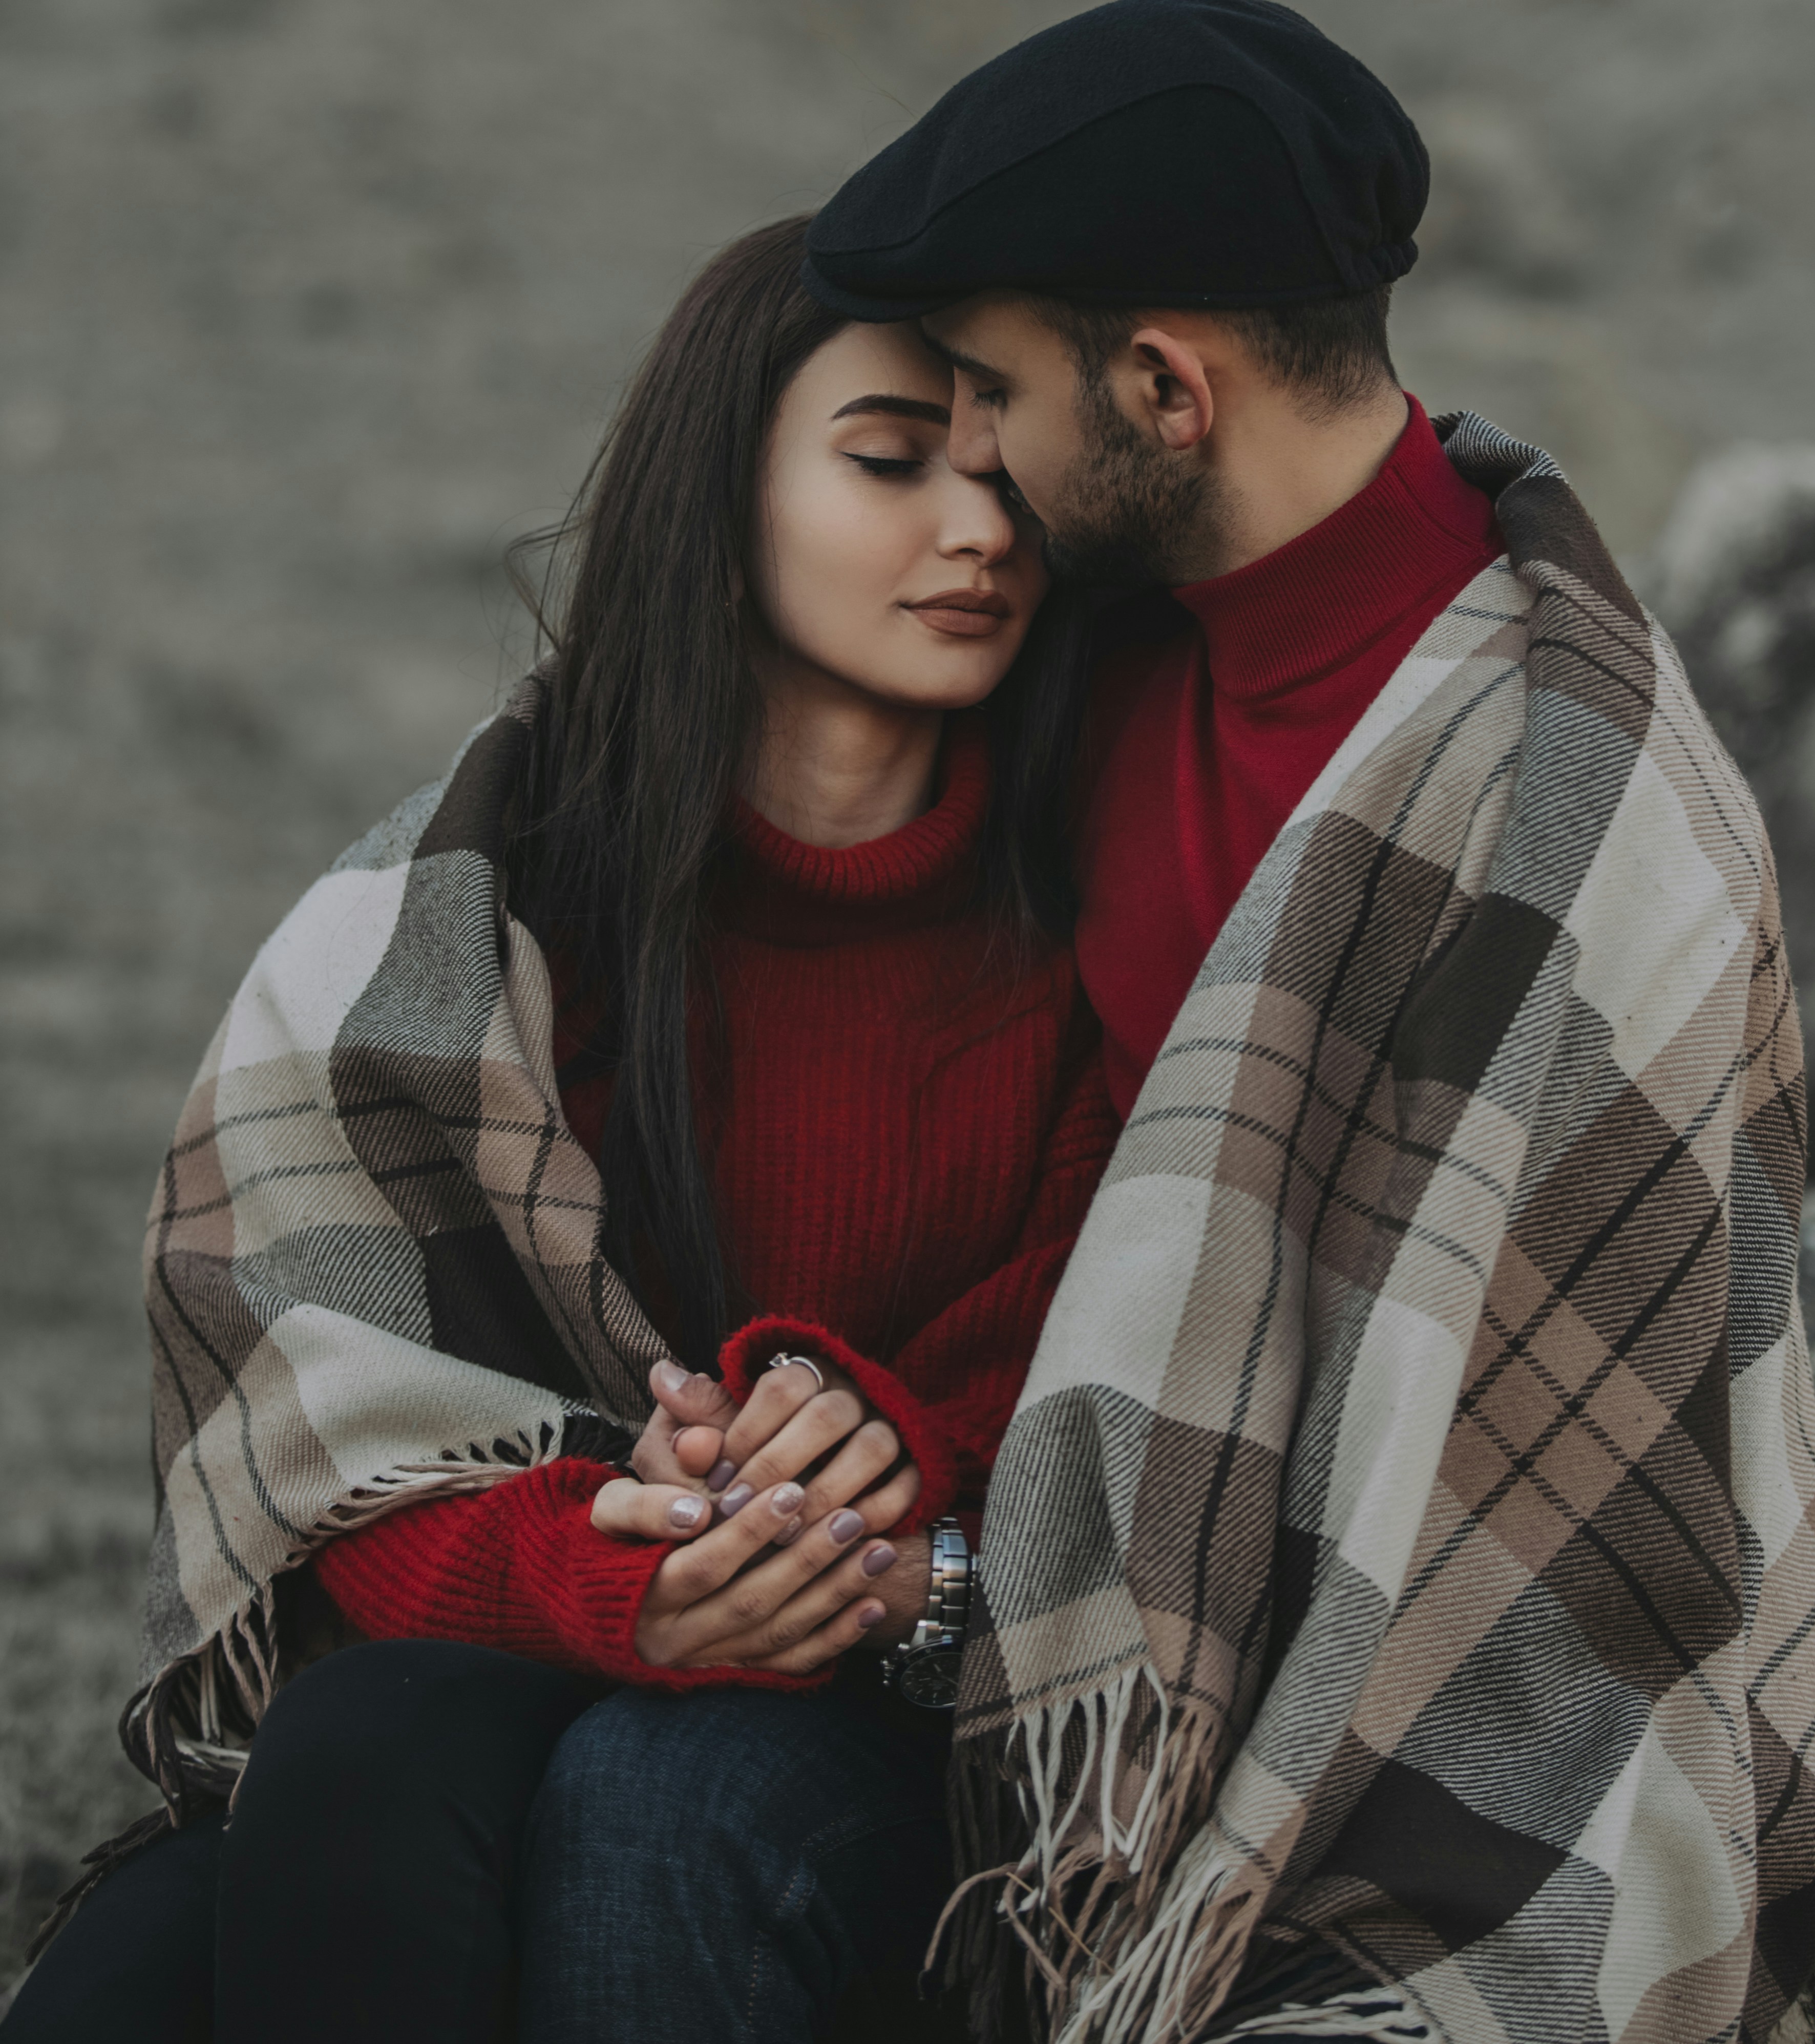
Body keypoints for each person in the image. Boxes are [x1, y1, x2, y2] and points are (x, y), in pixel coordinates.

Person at [550, 0, 1815, 2044]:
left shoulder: (1576, 805)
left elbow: (1555, 1492)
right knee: (643, 1807)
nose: (976, 462)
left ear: (1166, 390)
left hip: (1454, 1721)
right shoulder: (1094, 660)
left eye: (994, 390)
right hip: (1045, 1648)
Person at [10, 216, 1115, 2041]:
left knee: (650, 1807)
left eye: (1008, 477)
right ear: (720, 488)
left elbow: (1112, 1376)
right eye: (890, 461)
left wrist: (850, 1467)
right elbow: (342, 1428)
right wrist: (631, 1572)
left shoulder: (1109, 918)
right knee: (163, 1943)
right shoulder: (485, 902)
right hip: (570, 1630)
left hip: (948, 1713)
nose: (980, 528)